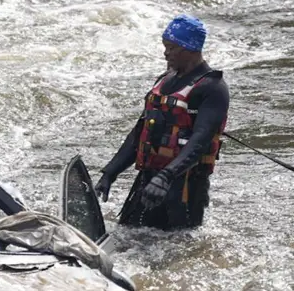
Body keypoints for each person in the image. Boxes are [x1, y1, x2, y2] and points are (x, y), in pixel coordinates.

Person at [94, 14, 230, 230]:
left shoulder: (213, 88)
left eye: (172, 48)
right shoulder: (165, 79)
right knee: (126, 238)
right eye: (165, 46)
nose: (166, 52)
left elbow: (200, 141)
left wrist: (166, 176)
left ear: (190, 49)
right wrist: (110, 173)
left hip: (184, 187)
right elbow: (140, 132)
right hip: (147, 181)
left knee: (175, 250)